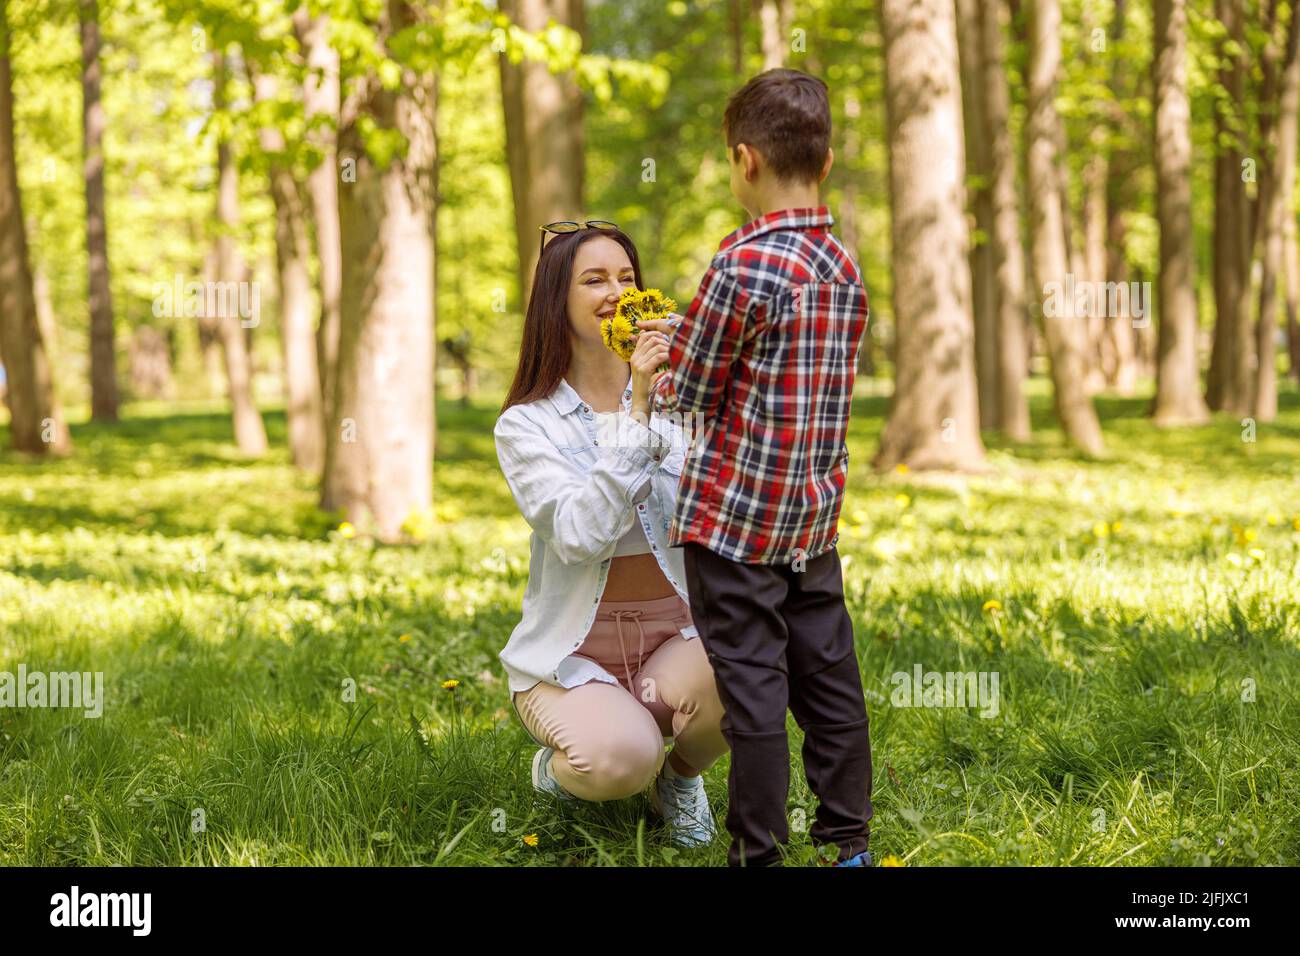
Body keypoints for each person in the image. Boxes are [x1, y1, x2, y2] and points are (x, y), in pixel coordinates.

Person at [638, 69, 874, 867]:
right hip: (812, 522)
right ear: (827, 161)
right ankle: (848, 843)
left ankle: (759, 855)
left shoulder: (738, 269)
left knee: (754, 696)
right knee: (830, 682)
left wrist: (658, 366)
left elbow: (693, 396)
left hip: (736, 529)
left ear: (744, 161)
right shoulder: (843, 268)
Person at [494, 221, 729, 847]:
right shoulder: (526, 426)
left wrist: (704, 382)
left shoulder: (683, 401)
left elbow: (720, 506)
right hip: (575, 652)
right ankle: (564, 767)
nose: (616, 293)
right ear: (555, 302)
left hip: (672, 637)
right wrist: (640, 412)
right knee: (621, 760)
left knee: (754, 671)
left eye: (627, 278)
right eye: (594, 280)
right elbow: (578, 535)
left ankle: (677, 778)